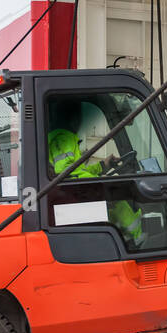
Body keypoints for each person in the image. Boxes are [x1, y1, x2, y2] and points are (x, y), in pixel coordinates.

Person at [47, 100, 144, 247]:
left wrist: (102, 166)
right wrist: (100, 183)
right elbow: (65, 173)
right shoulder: (63, 138)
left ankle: (122, 240)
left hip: (74, 193)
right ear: (73, 118)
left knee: (111, 206)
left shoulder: (62, 138)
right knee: (118, 197)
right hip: (73, 196)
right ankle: (137, 237)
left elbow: (76, 171)